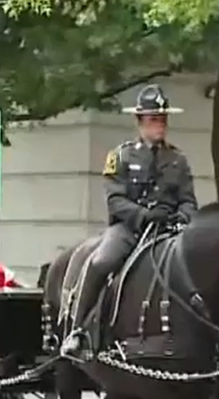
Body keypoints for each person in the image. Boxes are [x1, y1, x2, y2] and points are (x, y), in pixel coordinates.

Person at [61, 84, 199, 356]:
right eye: (153, 119)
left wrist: (180, 217)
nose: (159, 125)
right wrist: (144, 215)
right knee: (102, 262)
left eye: (162, 119)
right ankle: (77, 330)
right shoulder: (121, 156)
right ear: (140, 122)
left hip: (168, 230)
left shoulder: (178, 160)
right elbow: (116, 201)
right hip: (129, 229)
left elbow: (189, 200)